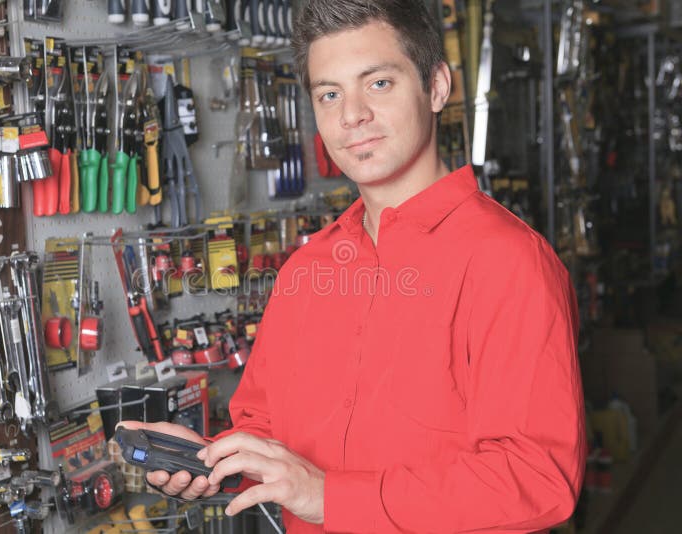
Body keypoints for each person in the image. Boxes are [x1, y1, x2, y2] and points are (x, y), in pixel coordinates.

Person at [118, 0, 586, 531]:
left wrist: (331, 497)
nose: (352, 115)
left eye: (379, 83)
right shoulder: (305, 271)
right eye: (330, 94)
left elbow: (538, 478)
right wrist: (213, 460)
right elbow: (267, 429)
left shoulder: (510, 262)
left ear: (436, 87)